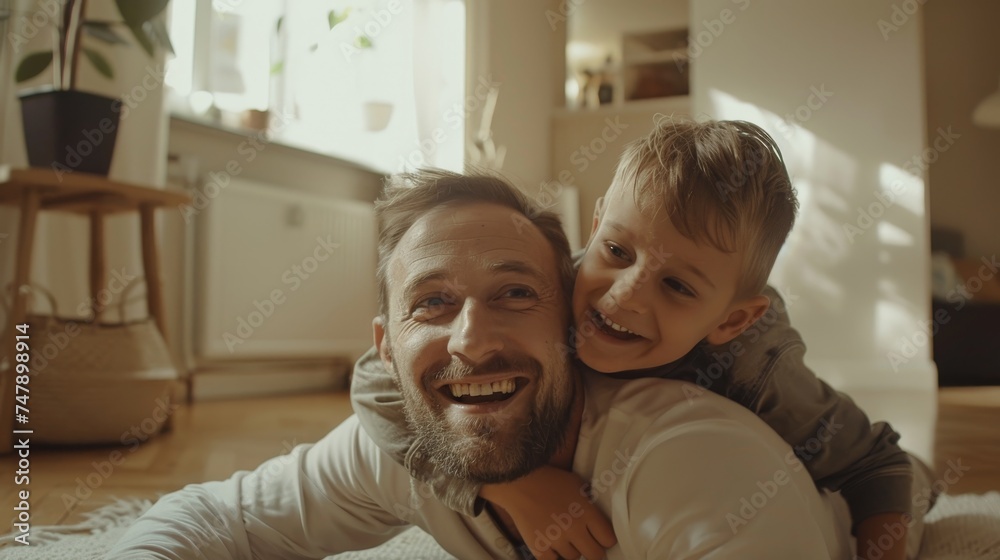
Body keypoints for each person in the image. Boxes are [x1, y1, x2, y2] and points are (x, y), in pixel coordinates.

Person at [108, 169, 851, 559]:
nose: (471, 340)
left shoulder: (695, 460)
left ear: (570, 320)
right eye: (431, 303)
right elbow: (216, 519)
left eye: (515, 293)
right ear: (385, 347)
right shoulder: (412, 441)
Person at [352, 120, 935, 560]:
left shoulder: (757, 364)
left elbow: (873, 463)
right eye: (616, 250)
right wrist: (511, 486)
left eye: (677, 286)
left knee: (904, 481)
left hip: (838, 472)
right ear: (596, 225)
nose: (623, 296)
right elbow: (377, 379)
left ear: (731, 321)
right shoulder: (554, 293)